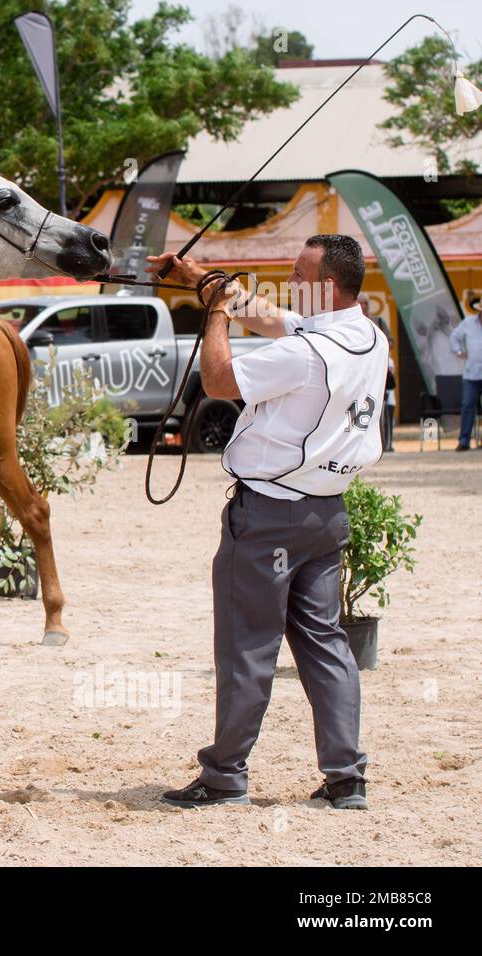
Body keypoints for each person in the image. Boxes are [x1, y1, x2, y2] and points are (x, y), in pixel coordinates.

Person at [147, 235, 389, 811]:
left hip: (270, 516)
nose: (288, 278)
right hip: (325, 515)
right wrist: (197, 277)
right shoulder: (365, 335)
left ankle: (226, 774)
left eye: (298, 272)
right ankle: (345, 777)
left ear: (325, 286)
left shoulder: (307, 353)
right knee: (326, 644)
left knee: (247, 645)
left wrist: (216, 313)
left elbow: (220, 380)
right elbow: (275, 316)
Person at [357, 293, 396, 453]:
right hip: (358, 371)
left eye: (366, 303)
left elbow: (391, 342)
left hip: (377, 370)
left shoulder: (377, 322)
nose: (363, 306)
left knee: (383, 407)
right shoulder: (350, 322)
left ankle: (386, 443)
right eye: (361, 303)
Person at [449, 296, 482, 451]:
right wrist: (459, 351)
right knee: (468, 406)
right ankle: (464, 441)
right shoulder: (468, 323)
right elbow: (454, 337)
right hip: (471, 374)